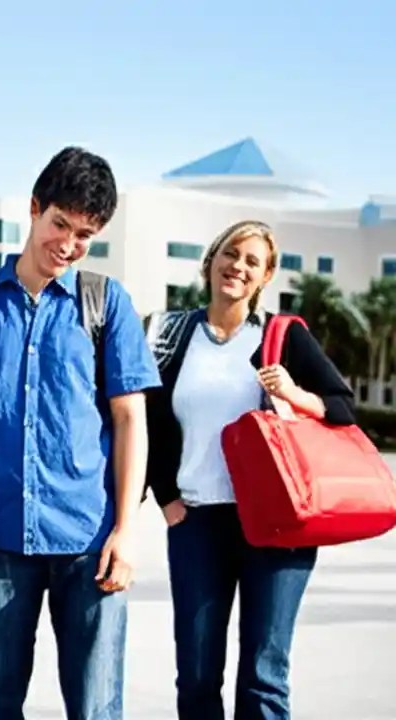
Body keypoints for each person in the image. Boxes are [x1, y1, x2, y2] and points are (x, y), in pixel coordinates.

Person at [0, 146, 160, 719]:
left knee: (95, 705)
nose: (67, 243)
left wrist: (128, 532)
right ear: (34, 209)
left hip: (90, 542)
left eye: (84, 234)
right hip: (0, 541)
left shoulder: (106, 304)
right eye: (59, 223)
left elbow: (131, 418)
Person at [143, 220, 355, 720]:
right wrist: (166, 495)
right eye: (230, 254)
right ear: (212, 259)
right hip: (198, 522)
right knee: (196, 675)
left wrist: (292, 393)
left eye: (252, 261)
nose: (237, 266)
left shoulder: (284, 337)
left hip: (278, 524)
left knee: (263, 678)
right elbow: (146, 416)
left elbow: (342, 407)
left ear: (265, 277)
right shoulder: (169, 333)